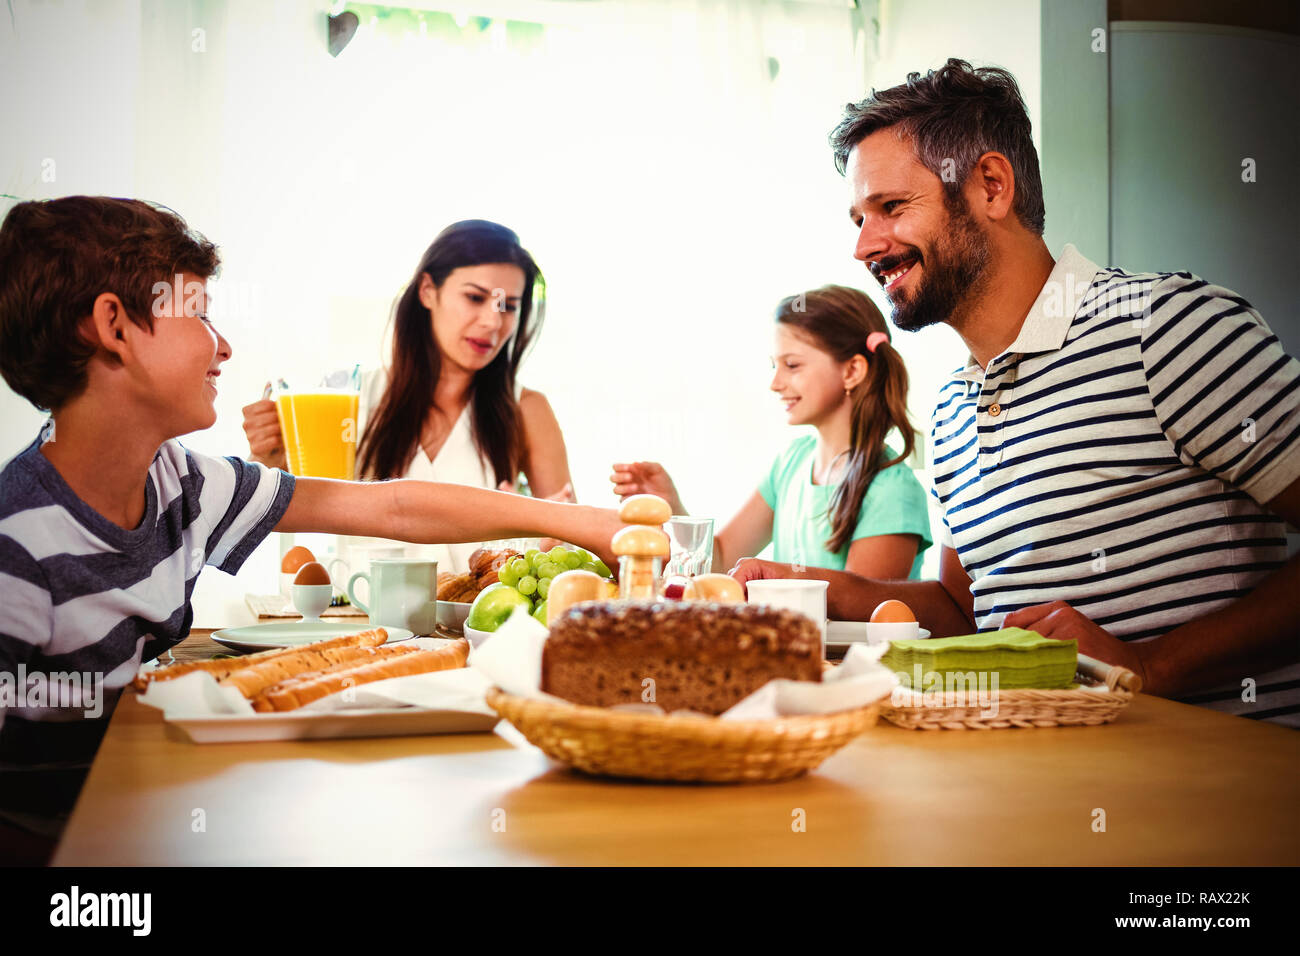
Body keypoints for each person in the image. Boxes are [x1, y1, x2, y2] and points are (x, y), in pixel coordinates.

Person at [0, 197, 622, 859]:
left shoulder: (183, 481)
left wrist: (580, 522)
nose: (225, 344)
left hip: (134, 808)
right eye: (201, 313)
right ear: (113, 327)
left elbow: (393, 507)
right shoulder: (20, 544)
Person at [731, 59, 1300, 725]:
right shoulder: (949, 411)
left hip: (1215, 796)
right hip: (1044, 783)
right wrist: (836, 590)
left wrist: (1151, 666)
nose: (864, 245)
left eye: (891, 207)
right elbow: (964, 613)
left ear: (991, 187)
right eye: (859, 217)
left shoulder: (1166, 327)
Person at [241, 220, 574, 573]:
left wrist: (536, 531)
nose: (493, 322)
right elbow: (261, 516)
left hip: (471, 624)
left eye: (508, 305)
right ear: (428, 290)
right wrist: (266, 459)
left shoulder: (527, 410)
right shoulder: (347, 401)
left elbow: (571, 554)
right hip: (358, 620)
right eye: (475, 297)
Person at [612, 285, 932, 579]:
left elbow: (862, 606)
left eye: (792, 365)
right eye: (774, 366)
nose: (775, 383)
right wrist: (672, 507)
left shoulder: (892, 489)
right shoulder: (791, 462)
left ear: (852, 370)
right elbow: (721, 558)